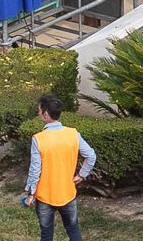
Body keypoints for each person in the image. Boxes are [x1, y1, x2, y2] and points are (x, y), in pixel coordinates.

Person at [21, 94, 96, 241]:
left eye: (39, 110)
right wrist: (81, 175)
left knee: (47, 234)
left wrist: (30, 193)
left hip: (45, 197)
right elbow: (91, 156)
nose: (38, 113)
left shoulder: (39, 139)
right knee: (73, 230)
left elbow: (35, 170)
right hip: (68, 193)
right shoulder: (73, 134)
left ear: (46, 115)